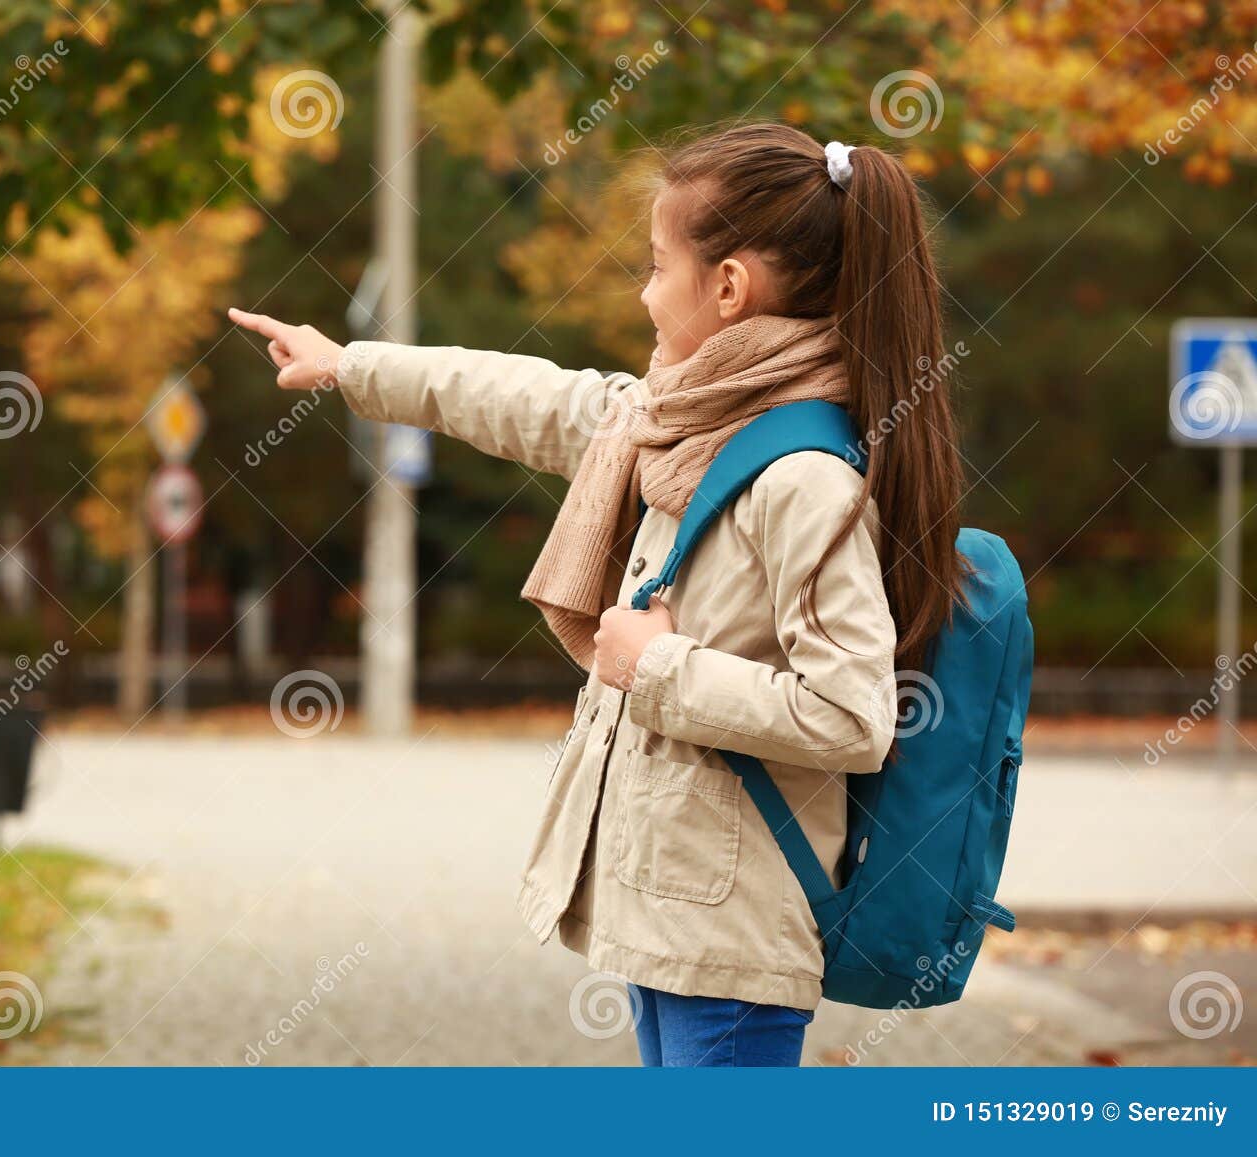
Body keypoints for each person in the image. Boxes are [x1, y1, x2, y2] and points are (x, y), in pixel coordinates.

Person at [229, 121, 968, 1067]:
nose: (643, 291)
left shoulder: (802, 478)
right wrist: (350, 365)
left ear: (730, 287)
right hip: (671, 910)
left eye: (658, 266)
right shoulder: (677, 425)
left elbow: (852, 715)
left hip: (734, 938)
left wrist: (655, 665)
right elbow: (529, 397)